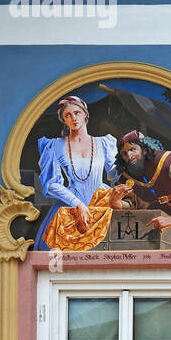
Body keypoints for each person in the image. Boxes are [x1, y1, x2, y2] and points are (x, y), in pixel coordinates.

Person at [35, 95, 121, 250]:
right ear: (64, 120)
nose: (73, 118)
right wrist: (78, 204)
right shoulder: (55, 146)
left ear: (85, 114)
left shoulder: (104, 143)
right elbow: (52, 183)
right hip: (70, 203)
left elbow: (117, 174)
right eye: (68, 115)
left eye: (77, 113)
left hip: (101, 202)